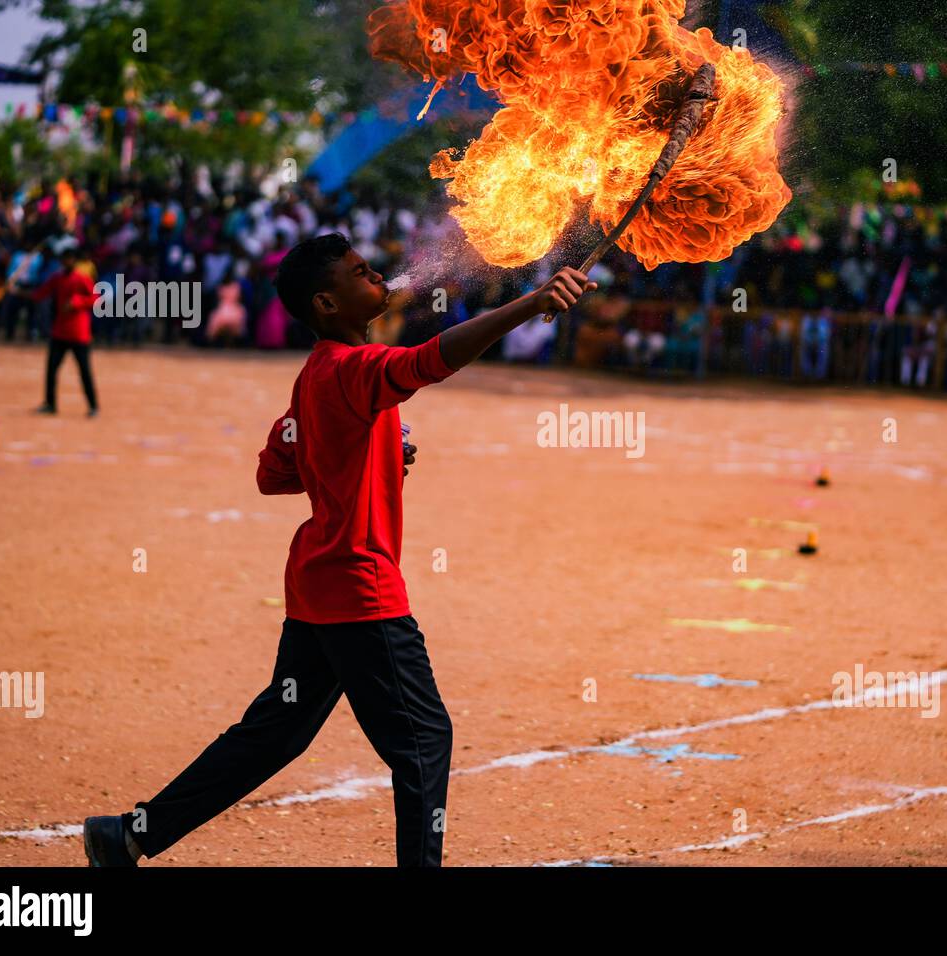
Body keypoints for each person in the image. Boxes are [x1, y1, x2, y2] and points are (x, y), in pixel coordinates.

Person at [82, 233, 595, 867]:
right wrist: (529, 303)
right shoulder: (356, 369)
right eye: (359, 272)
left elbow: (276, 471)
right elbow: (429, 360)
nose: (376, 274)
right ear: (327, 303)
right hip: (360, 590)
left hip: (317, 589)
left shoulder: (316, 376)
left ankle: (128, 836)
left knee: (276, 735)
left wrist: (369, 451)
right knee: (424, 741)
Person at [30, 241, 99, 417]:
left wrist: (77, 302)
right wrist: (18, 292)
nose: (66, 262)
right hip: (60, 331)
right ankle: (50, 404)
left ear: (74, 261)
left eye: (69, 259)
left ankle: (93, 406)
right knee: (51, 369)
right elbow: (41, 293)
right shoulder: (57, 278)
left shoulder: (82, 279)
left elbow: (96, 298)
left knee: (84, 371)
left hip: (78, 333)